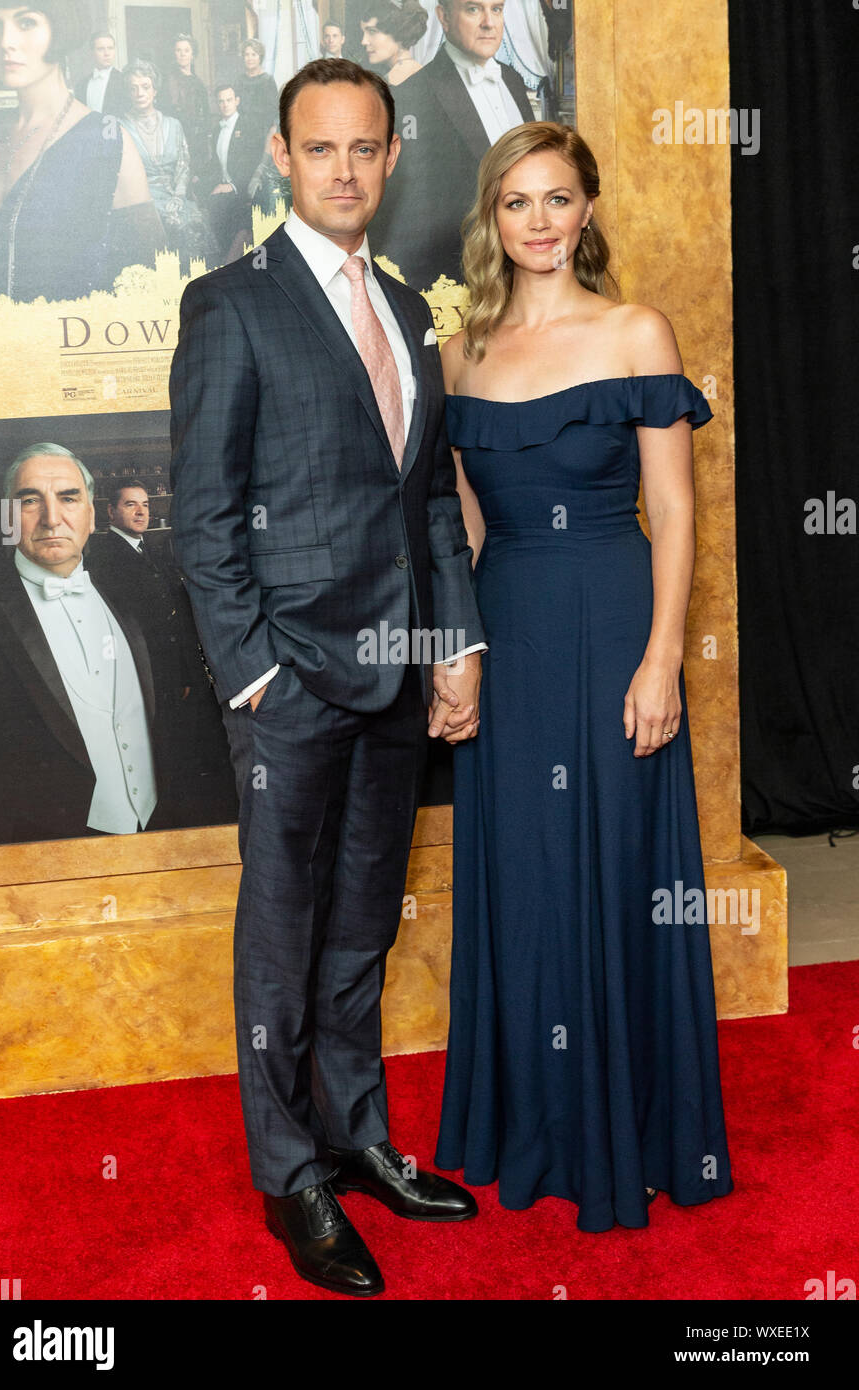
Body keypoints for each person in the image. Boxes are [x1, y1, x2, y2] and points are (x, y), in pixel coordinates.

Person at [169, 57, 487, 1298]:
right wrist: (253, 676)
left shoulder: (409, 308)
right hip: (289, 688)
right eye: (320, 150)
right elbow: (203, 516)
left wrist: (452, 643)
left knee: (360, 928)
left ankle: (357, 1136)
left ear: (393, 156)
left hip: (399, 679)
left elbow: (425, 508)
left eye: (365, 149)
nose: (344, 170)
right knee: (281, 938)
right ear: (282, 159)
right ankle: (290, 1172)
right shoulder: (228, 304)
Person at [434, 123, 735, 1231]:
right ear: (492, 219)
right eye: (517, 203)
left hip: (613, 629)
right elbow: (460, 521)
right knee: (522, 880)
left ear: (588, 208)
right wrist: (452, 654)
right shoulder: (459, 352)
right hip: (507, 636)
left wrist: (661, 657)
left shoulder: (634, 332)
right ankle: (537, 1122)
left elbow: (671, 511)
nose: (540, 222)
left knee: (612, 871)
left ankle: (637, 1127)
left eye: (558, 198)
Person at [0, 446, 158, 845]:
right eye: (30, 500)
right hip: (47, 842)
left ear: (90, 514)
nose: (53, 518)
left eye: (69, 498)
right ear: (8, 517)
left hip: (158, 822)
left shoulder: (128, 590)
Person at [0, 1, 161, 303]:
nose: (6, 42)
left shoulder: (106, 139)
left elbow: (146, 276)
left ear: (59, 30)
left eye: (26, 22)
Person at [87, 482, 238, 830]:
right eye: (130, 505)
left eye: (144, 504)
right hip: (147, 673)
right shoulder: (104, 557)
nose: (141, 511)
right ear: (111, 512)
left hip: (175, 671)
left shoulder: (150, 549)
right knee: (160, 753)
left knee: (182, 750)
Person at [373, 0, 534, 288]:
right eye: (473, 9)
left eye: (496, 9)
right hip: (459, 282)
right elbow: (409, 219)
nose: (489, 22)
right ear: (443, 17)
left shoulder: (513, 81)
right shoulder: (410, 95)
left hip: (527, 276)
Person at [121, 60, 209, 269]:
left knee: (193, 220)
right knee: (164, 224)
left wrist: (179, 198)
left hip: (174, 195)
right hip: (141, 199)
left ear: (155, 91)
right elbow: (122, 173)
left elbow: (183, 165)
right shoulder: (121, 126)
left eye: (145, 87)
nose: (139, 93)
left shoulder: (173, 124)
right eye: (133, 88)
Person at [197, 84, 262, 259]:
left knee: (221, 208)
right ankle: (216, 257)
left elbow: (252, 162)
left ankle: (227, 259)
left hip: (243, 187)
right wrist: (197, 176)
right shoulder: (218, 128)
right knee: (204, 200)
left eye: (229, 100)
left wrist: (232, 186)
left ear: (237, 101)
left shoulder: (248, 126)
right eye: (221, 101)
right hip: (223, 185)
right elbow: (215, 162)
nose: (225, 105)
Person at [163, 33, 211, 172]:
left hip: (197, 138)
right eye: (178, 50)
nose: (182, 54)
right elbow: (169, 110)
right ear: (174, 54)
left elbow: (205, 113)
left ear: (193, 55)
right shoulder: (169, 80)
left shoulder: (198, 82)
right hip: (177, 135)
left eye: (186, 50)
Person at [359, 2, 428, 85]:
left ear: (398, 31)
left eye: (372, 31)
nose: (364, 41)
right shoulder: (392, 75)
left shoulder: (404, 79)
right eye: (363, 32)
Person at [75, 29, 127, 117]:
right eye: (100, 49)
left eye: (110, 48)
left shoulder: (124, 81)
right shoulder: (82, 85)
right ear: (92, 52)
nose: (107, 53)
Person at [234, 38, 278, 136]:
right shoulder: (239, 80)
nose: (250, 58)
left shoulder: (267, 80)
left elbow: (273, 112)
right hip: (243, 131)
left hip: (262, 132)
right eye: (246, 55)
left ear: (260, 57)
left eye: (254, 54)